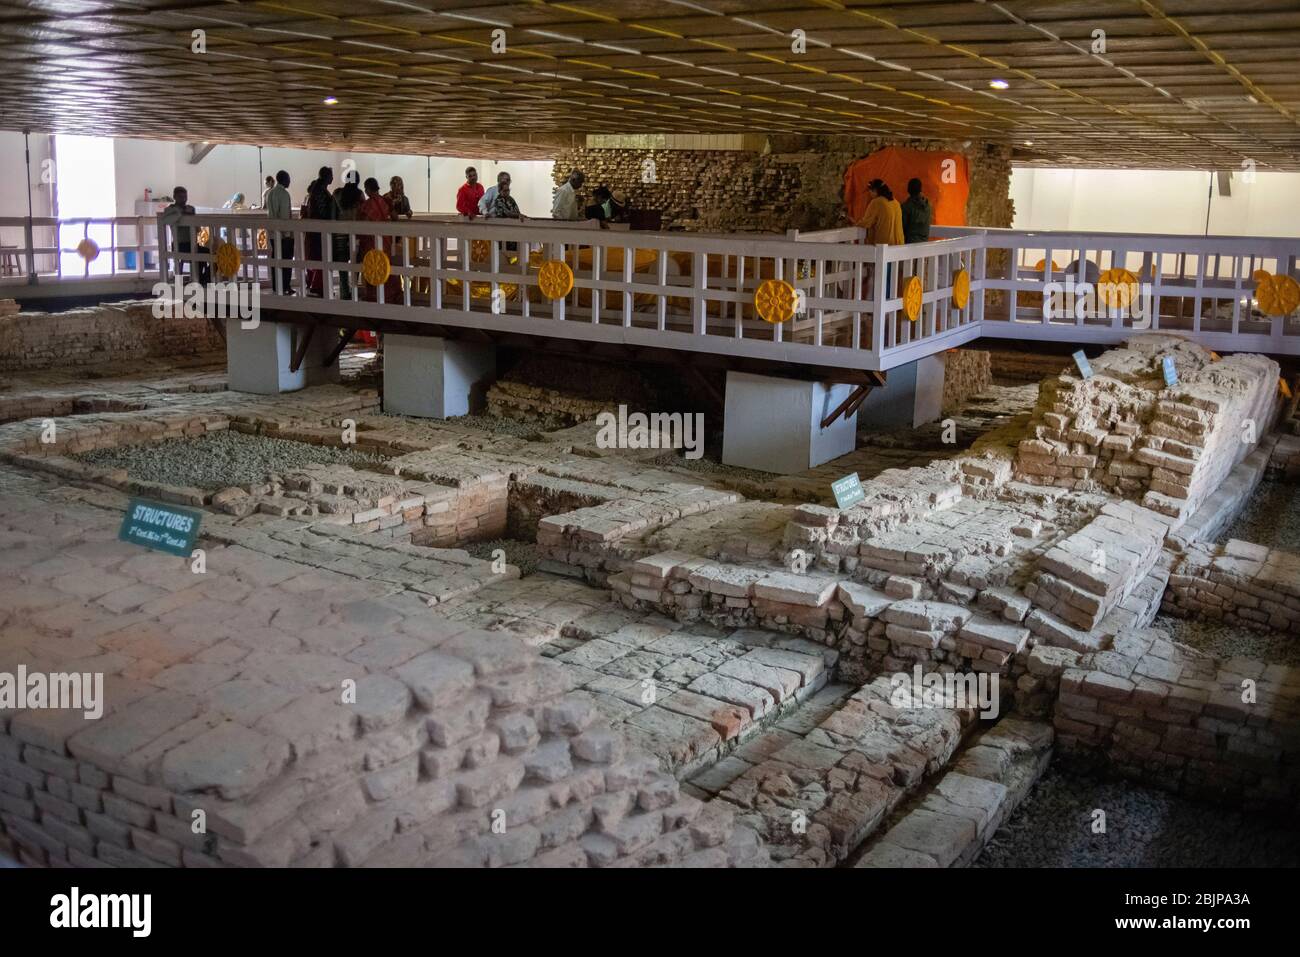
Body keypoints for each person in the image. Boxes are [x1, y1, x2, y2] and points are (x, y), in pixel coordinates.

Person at [358, 177, 397, 302]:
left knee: (372, 266)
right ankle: (390, 294)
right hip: (386, 240)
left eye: (365, 188)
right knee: (385, 265)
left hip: (371, 241)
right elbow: (395, 217)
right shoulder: (386, 201)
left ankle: (373, 295)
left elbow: (363, 224)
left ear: (369, 189)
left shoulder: (367, 205)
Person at [159, 186, 208, 285]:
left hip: (193, 243)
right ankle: (198, 280)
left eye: (185, 197)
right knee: (198, 255)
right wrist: (181, 212)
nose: (183, 199)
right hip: (180, 244)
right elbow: (166, 220)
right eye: (181, 197)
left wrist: (191, 215)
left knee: (210, 254)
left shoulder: (191, 209)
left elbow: (198, 228)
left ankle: (202, 278)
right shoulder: (170, 210)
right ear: (175, 197)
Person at [303, 166, 334, 296]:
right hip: (319, 231)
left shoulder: (315, 190)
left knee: (313, 256)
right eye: (331, 176)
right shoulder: (321, 192)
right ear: (327, 177)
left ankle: (312, 283)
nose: (332, 178)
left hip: (312, 231)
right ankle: (317, 286)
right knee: (320, 257)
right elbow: (323, 213)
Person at [333, 178, 363, 300]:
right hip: (355, 234)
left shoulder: (337, 193)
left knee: (342, 266)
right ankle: (354, 289)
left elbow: (333, 214)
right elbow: (362, 213)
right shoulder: (360, 194)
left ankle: (344, 291)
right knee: (356, 264)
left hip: (340, 233)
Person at [265, 170, 294, 294]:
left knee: (275, 259)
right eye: (288, 179)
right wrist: (288, 234)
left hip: (272, 232)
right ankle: (285, 286)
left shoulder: (270, 193)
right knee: (286, 260)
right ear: (284, 180)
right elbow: (284, 215)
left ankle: (276, 286)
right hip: (283, 234)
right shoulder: (284, 194)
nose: (290, 181)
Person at [856, 179, 904, 245]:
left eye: (870, 192)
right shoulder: (895, 202)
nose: (870, 195)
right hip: (899, 246)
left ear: (875, 191)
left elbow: (866, 223)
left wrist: (853, 221)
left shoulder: (877, 202)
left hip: (884, 247)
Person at [901, 178, 932, 244]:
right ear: (920, 189)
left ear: (908, 189)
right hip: (924, 243)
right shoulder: (928, 205)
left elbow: (902, 227)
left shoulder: (906, 206)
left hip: (910, 244)